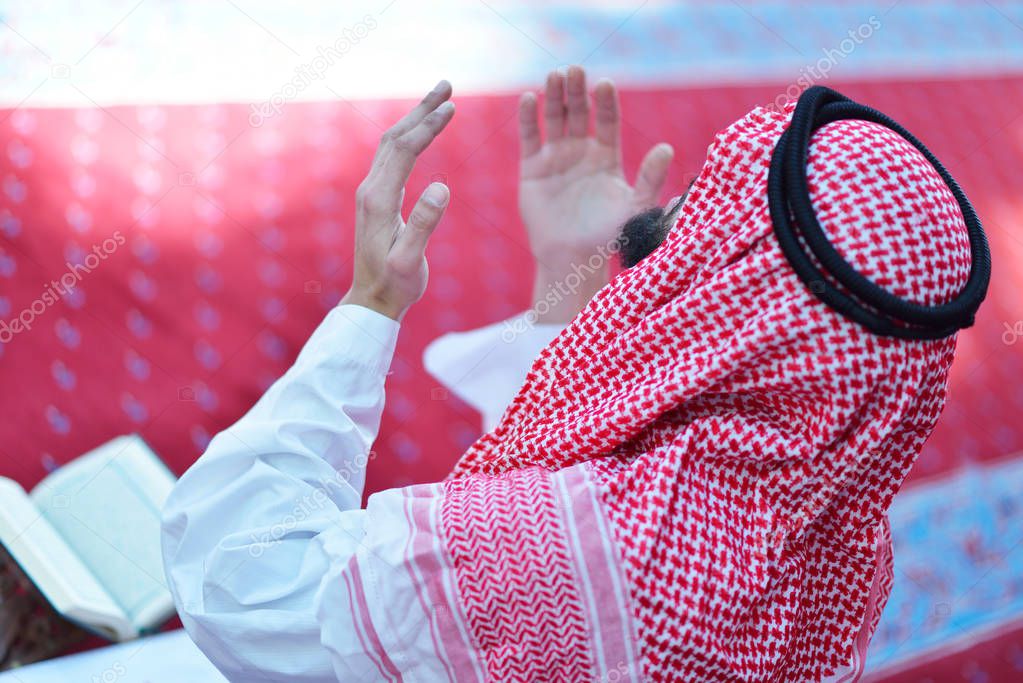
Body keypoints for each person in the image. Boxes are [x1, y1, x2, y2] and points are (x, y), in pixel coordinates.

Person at [161, 66, 989, 682]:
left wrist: (368, 307)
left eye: (711, 207)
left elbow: (240, 584)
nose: (679, 213)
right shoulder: (840, 546)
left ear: (745, 301)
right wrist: (573, 271)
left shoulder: (563, 554)